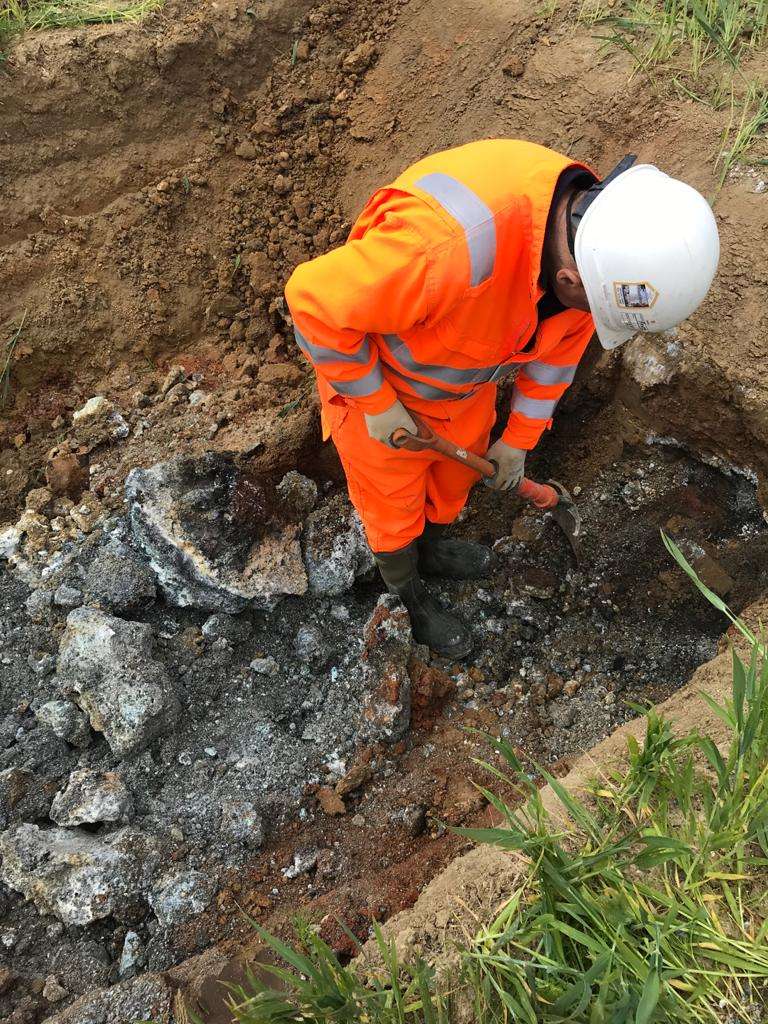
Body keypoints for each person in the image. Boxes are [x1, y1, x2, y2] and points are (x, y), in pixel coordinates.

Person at [285, 139, 719, 659]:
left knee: (453, 480)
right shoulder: (440, 251)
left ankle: (434, 548)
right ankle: (411, 598)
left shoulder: (601, 243)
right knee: (393, 511)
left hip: (463, 386)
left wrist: (517, 441)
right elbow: (313, 305)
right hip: (381, 395)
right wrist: (376, 403)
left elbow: (556, 357)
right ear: (568, 279)